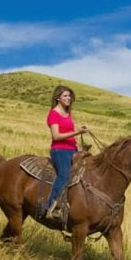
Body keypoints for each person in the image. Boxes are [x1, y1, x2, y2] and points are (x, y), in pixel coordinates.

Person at [43, 85, 89, 219]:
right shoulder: (53, 114)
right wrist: (77, 132)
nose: (68, 98)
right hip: (60, 150)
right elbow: (56, 136)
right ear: (58, 98)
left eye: (69, 96)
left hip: (72, 149)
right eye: (65, 96)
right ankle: (52, 207)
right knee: (64, 174)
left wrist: (80, 130)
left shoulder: (68, 113)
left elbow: (70, 130)